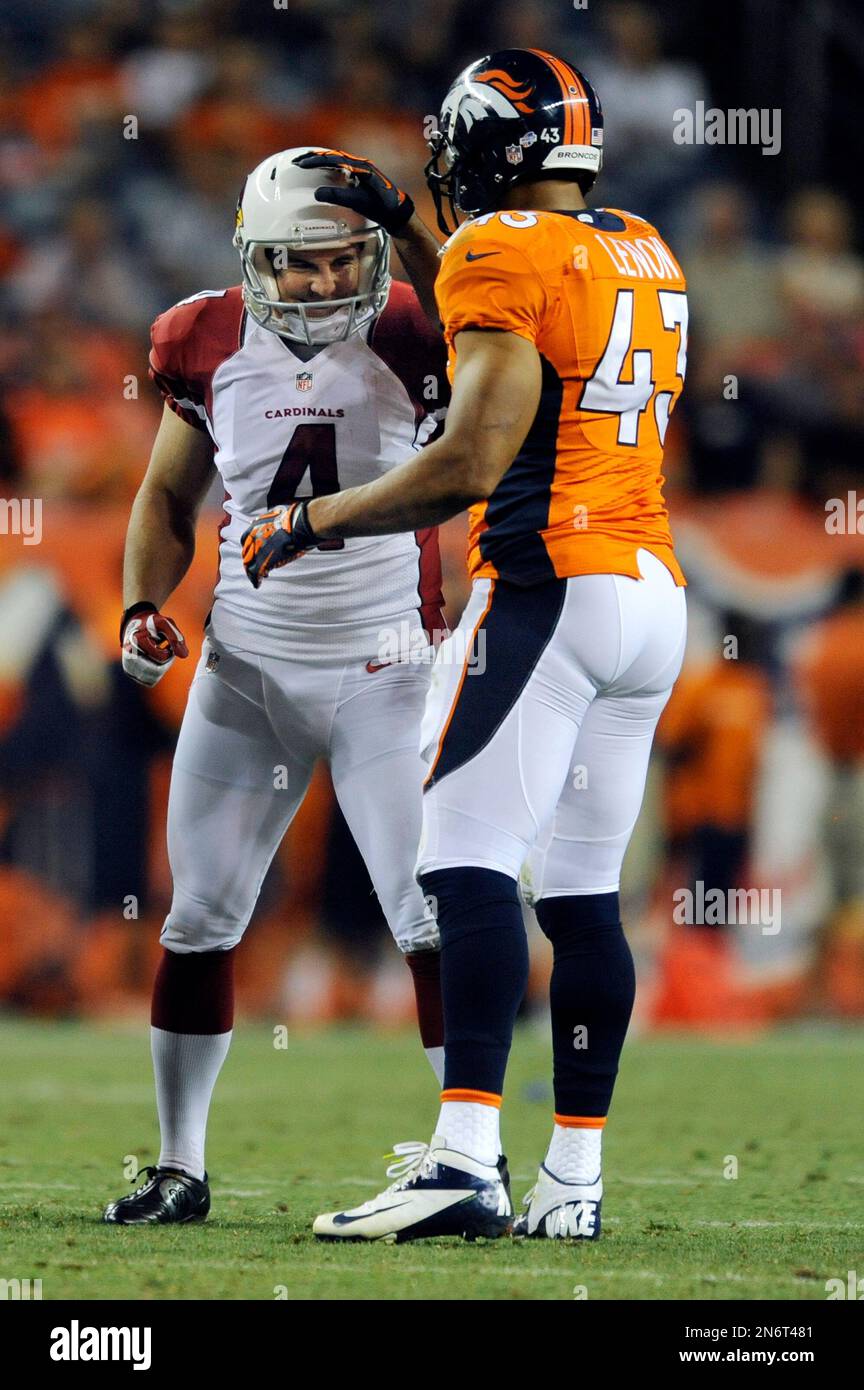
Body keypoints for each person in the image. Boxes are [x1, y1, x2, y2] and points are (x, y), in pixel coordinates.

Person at [243, 50, 689, 1243]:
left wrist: (313, 519)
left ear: (489, 150)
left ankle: (463, 1161)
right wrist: (407, 224)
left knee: (463, 859)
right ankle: (573, 1180)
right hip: (650, 594)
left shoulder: (499, 250)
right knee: (582, 896)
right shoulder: (642, 245)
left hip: (548, 584)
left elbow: (472, 459)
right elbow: (518, 306)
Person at [104, 148, 450, 1224]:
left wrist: (418, 231)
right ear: (253, 260)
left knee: (430, 914)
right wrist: (140, 603)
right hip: (247, 667)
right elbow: (169, 496)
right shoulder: (201, 338)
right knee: (199, 914)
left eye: (342, 257)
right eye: (298, 262)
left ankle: (466, 1158)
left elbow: (489, 317)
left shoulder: (416, 323)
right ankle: (180, 1165)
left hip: (390, 663)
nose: (321, 281)